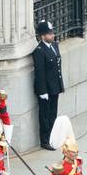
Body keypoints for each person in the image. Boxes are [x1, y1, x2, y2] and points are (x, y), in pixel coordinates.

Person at [32, 20, 63, 148]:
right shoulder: (39, 50)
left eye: (52, 33)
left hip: (55, 86)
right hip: (46, 89)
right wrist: (42, 91)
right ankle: (45, 141)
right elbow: (40, 72)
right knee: (45, 116)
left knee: (53, 114)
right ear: (43, 36)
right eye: (49, 34)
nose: (52, 36)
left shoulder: (54, 45)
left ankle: (52, 137)